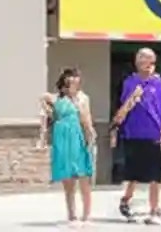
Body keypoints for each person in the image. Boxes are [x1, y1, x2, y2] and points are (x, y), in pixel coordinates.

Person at [111, 48, 161, 224]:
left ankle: (153, 211)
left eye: (152, 60)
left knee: (155, 176)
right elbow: (122, 108)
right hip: (134, 133)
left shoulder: (160, 84)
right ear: (137, 62)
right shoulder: (130, 83)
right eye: (145, 60)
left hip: (155, 134)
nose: (149, 64)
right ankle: (126, 200)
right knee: (134, 173)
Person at [42, 68, 96, 227]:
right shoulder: (57, 98)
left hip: (79, 137)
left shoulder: (83, 98)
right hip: (63, 138)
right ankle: (72, 215)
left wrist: (89, 136)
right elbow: (43, 98)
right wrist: (49, 112)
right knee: (68, 180)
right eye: (70, 80)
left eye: (75, 80)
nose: (73, 83)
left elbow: (87, 119)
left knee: (84, 177)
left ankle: (86, 216)